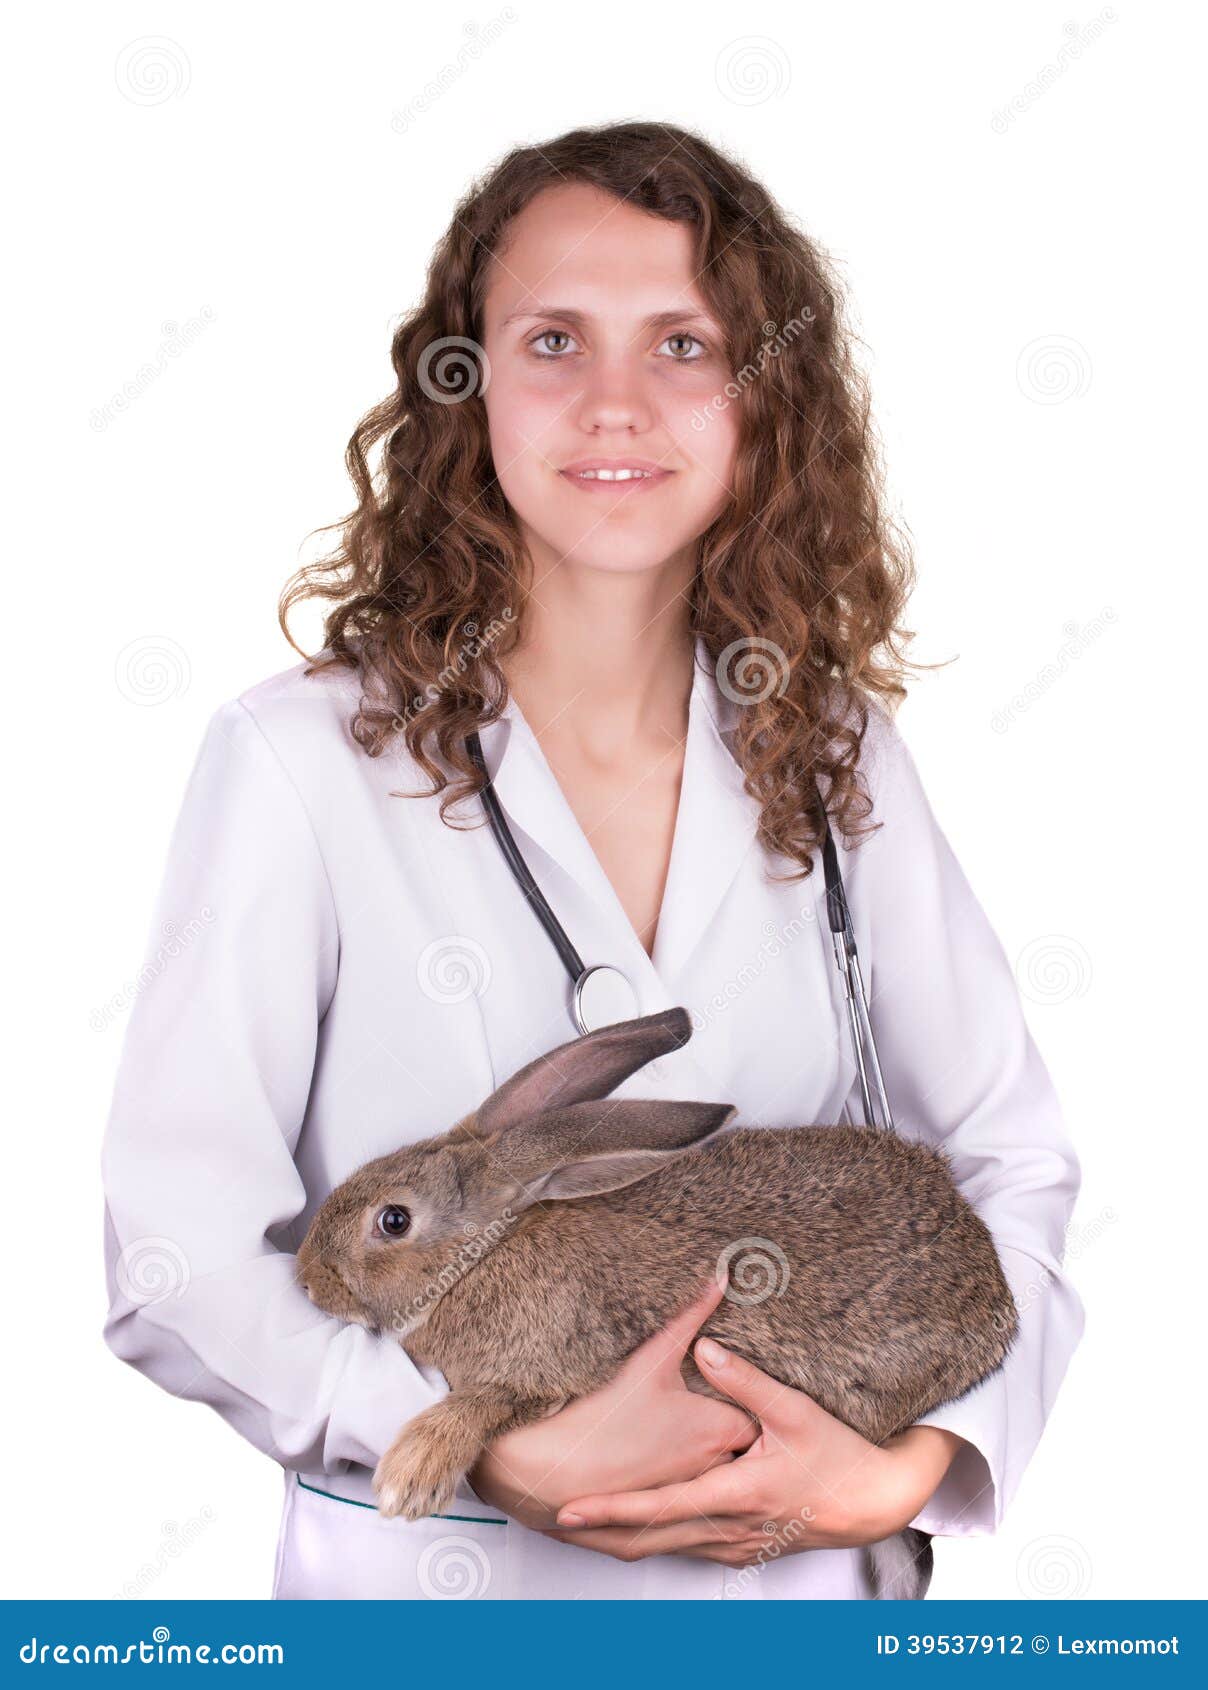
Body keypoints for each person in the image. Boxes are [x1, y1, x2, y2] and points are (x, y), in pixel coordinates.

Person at [100, 120, 1084, 1600]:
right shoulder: (298, 765)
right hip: (441, 1607)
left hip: (802, 1606)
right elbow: (170, 1248)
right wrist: (466, 1436)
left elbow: (1013, 1158)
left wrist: (914, 1466)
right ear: (465, 385)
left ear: (766, 402)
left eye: (684, 344)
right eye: (554, 338)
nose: (615, 402)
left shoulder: (837, 755)